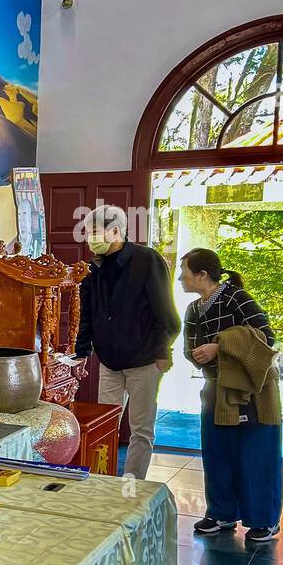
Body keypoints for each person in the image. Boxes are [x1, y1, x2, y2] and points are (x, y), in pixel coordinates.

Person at [180, 249, 282, 542]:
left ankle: (265, 519)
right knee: (217, 452)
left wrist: (219, 346)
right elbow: (190, 348)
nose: (180, 278)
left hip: (253, 391)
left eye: (184, 271)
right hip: (215, 389)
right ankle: (222, 513)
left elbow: (266, 337)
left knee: (256, 455)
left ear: (202, 275)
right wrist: (198, 355)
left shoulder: (238, 298)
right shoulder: (193, 309)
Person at [75, 205, 181, 480]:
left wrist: (162, 351)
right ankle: (103, 479)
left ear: (115, 231)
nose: (90, 238)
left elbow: (165, 312)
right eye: (88, 233)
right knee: (103, 423)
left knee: (141, 428)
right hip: (109, 360)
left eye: (95, 232)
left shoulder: (147, 260)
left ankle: (133, 484)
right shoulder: (94, 266)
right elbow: (87, 312)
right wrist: (82, 350)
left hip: (144, 359)